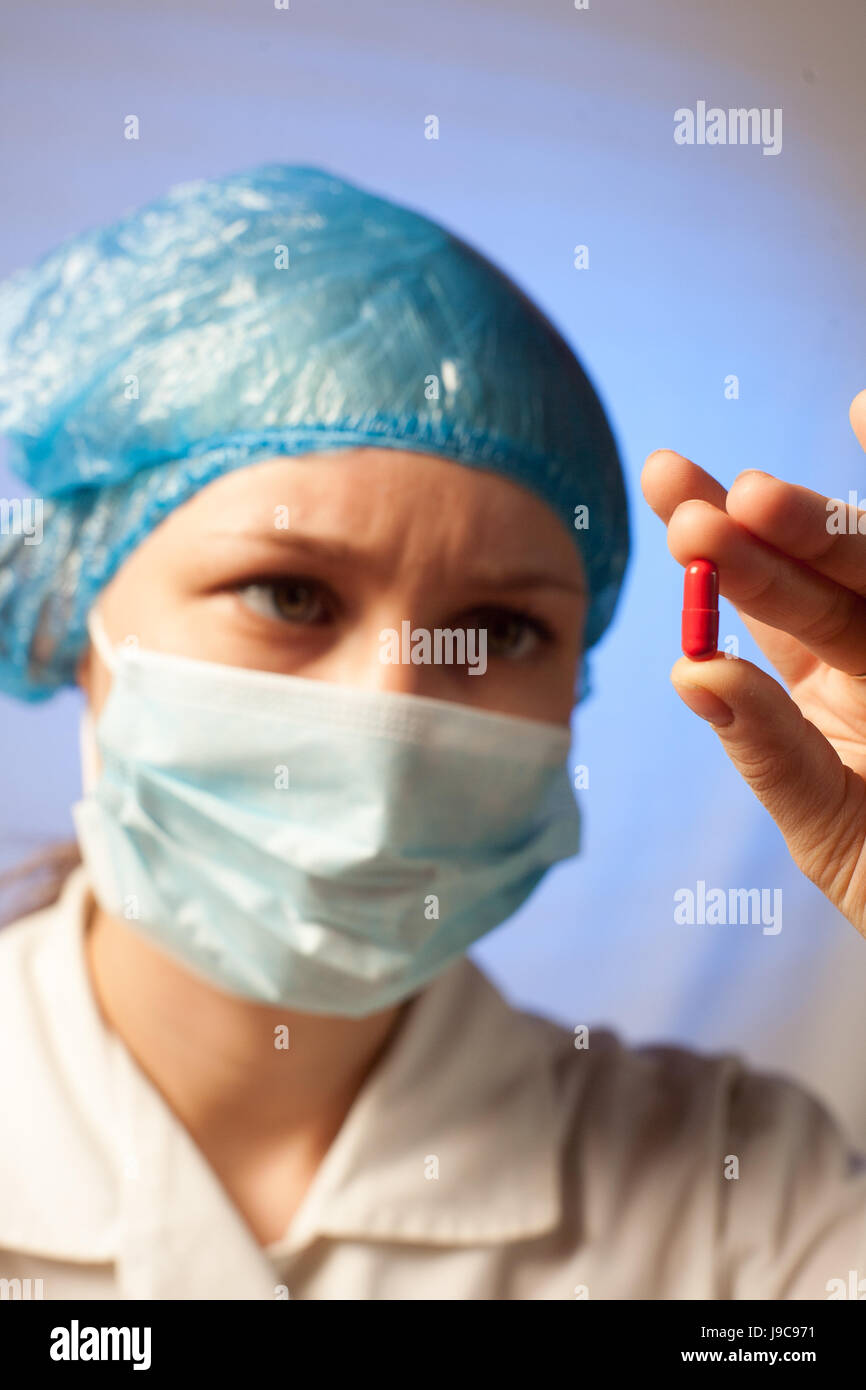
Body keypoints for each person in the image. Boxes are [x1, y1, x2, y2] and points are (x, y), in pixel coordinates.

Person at [0, 163, 864, 1301]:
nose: (394, 711)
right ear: (68, 608)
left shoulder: (735, 1203)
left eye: (499, 628)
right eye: (290, 595)